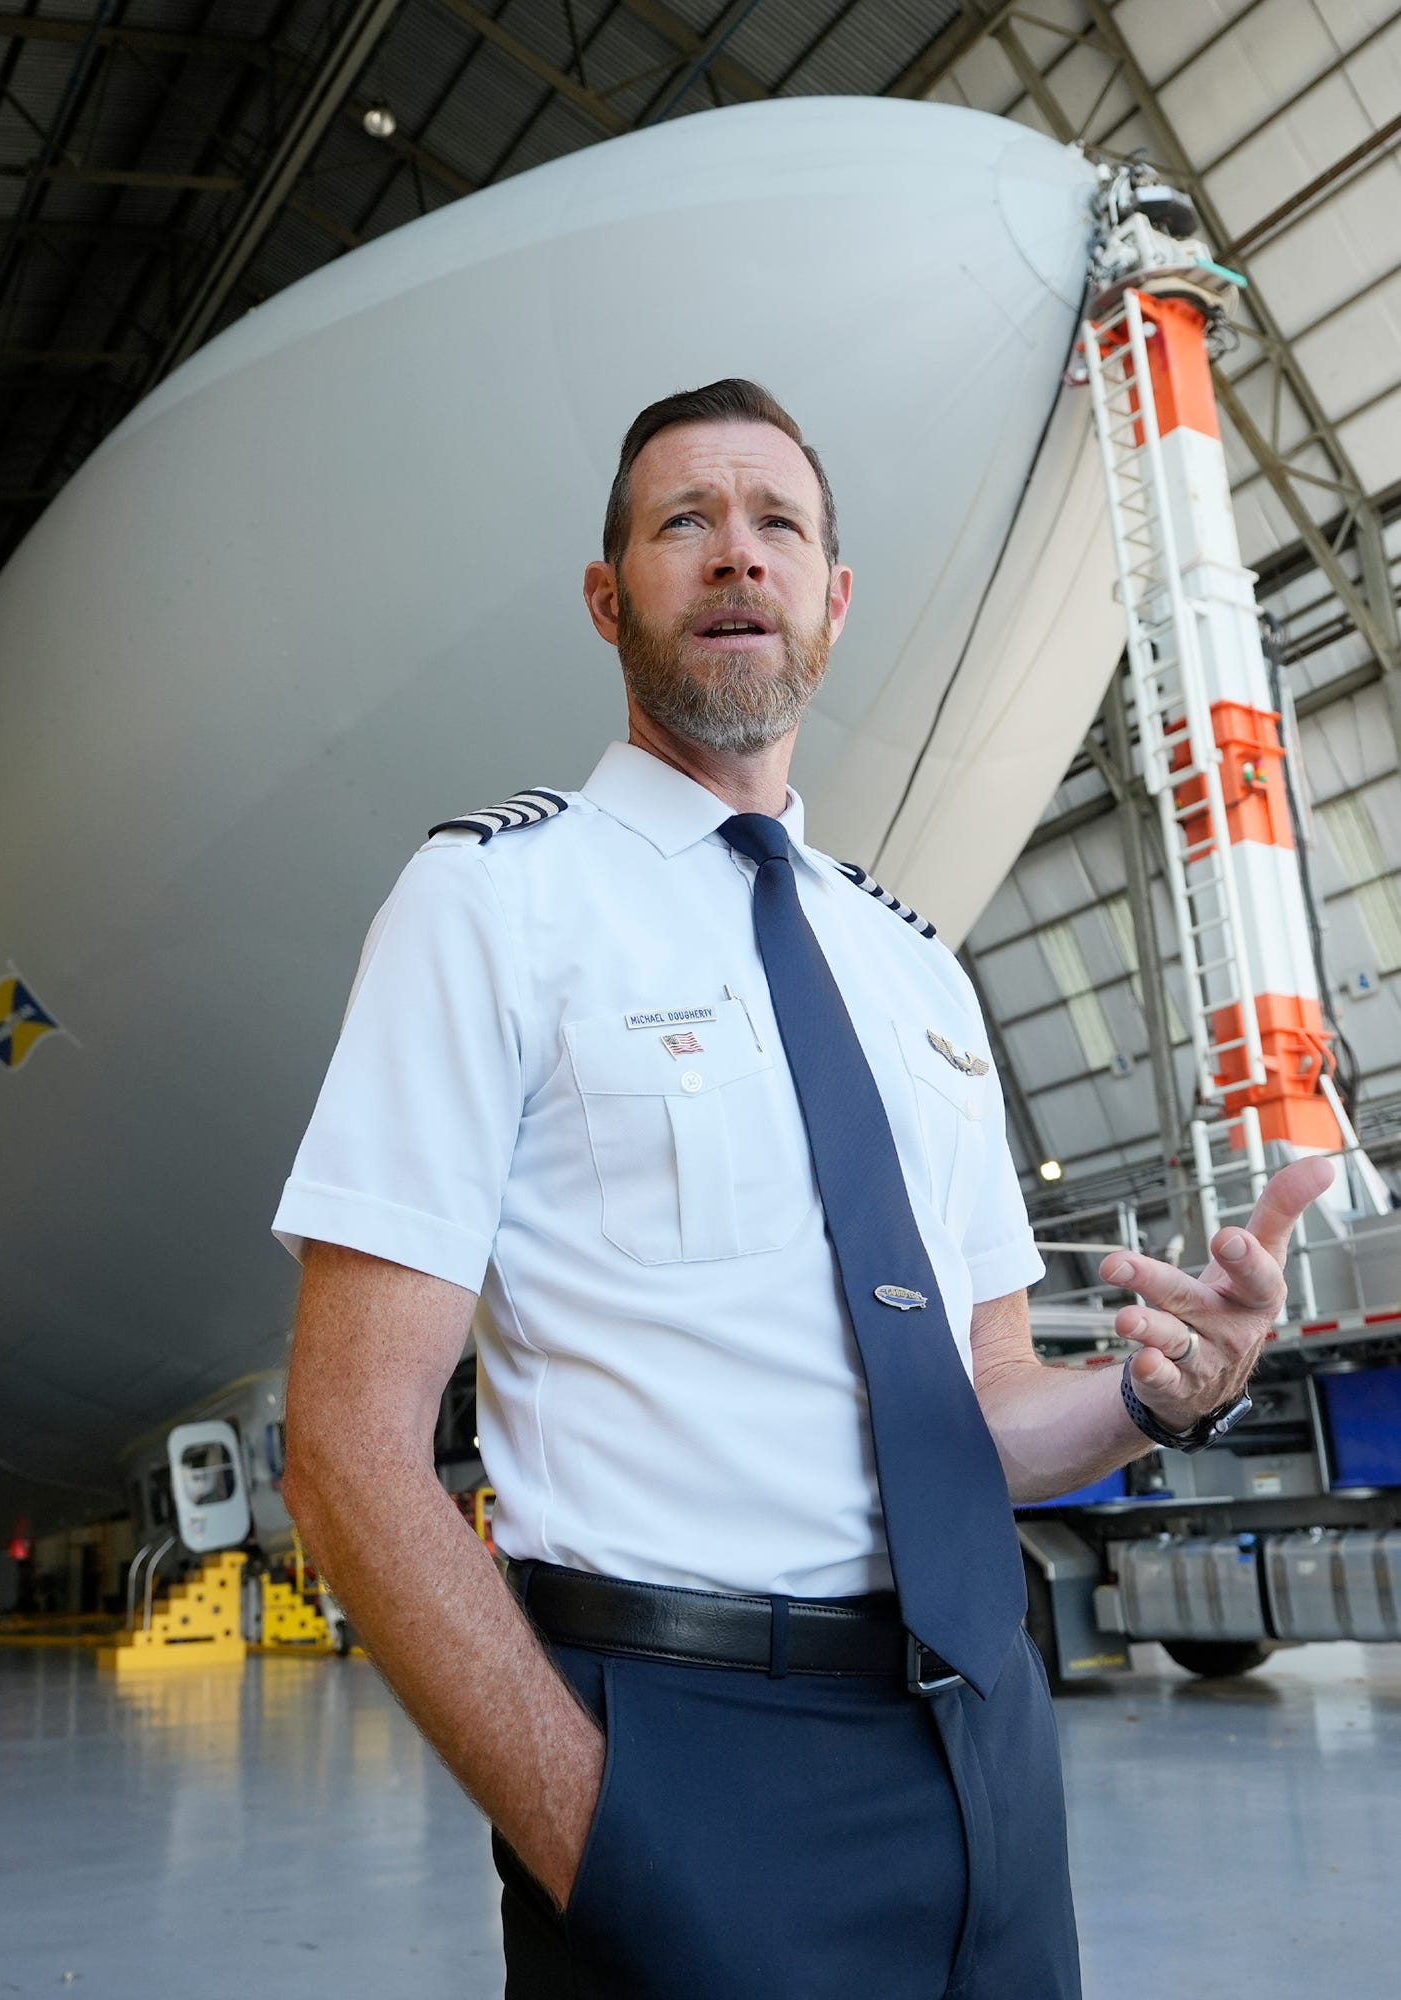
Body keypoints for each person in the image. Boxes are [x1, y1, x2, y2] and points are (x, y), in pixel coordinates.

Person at [271, 378, 1329, 1998]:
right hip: (679, 1747)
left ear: (832, 601)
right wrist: (597, 1837)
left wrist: (1154, 1395)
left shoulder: (913, 972)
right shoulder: (492, 904)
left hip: (986, 1742)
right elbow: (347, 1452)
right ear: (606, 594)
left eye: (778, 525)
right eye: (683, 520)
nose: (735, 555)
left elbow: (981, 1408)